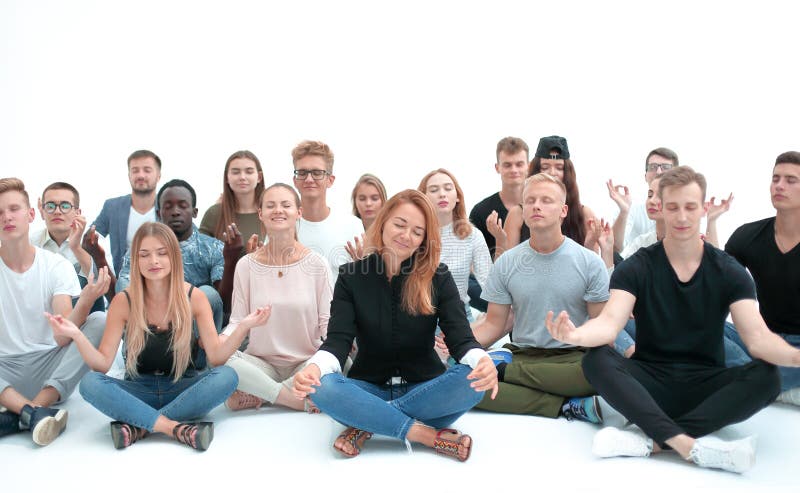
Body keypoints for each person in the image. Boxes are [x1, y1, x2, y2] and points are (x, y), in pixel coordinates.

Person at [545, 166, 799, 474]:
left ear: (704, 209)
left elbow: (758, 338)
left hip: (707, 384)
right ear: (661, 209)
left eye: (690, 207)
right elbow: (609, 324)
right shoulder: (638, 266)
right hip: (650, 380)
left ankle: (653, 442)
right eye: (673, 207)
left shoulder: (728, 270)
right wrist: (575, 336)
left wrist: (796, 357)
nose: (681, 217)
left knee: (767, 376)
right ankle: (688, 445)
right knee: (596, 359)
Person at [293, 190, 498, 461]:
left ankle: (366, 422)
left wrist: (482, 360)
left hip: (426, 387)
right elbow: (338, 342)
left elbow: (461, 340)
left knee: (475, 382)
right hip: (368, 386)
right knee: (320, 386)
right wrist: (315, 368)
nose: (405, 235)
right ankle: (425, 434)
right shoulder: (351, 276)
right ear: (384, 222)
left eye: (417, 231)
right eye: (400, 225)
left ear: (425, 239)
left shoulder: (439, 276)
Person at [45, 222, 270, 451]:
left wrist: (244, 326)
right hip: (138, 390)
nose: (153, 261)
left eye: (162, 253)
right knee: (90, 383)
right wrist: (76, 334)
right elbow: (102, 365)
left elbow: (217, 357)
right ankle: (173, 428)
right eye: (145, 255)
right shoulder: (124, 301)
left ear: (173, 257)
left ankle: (140, 426)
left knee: (227, 376)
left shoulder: (194, 296)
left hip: (183, 388)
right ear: (136, 261)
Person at [469, 173, 609, 420]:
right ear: (522, 212)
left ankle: (507, 376)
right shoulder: (506, 263)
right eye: (530, 201)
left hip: (571, 359)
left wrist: (501, 371)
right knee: (463, 385)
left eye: (546, 200)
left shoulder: (589, 262)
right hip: (524, 354)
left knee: (600, 374)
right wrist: (461, 348)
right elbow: (493, 324)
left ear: (563, 210)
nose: (537, 205)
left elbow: (602, 330)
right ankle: (567, 405)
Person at [0, 178, 108, 446]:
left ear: (31, 214)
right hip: (4, 369)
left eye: (14, 209)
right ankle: (35, 414)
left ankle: (27, 411)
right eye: (0, 212)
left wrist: (85, 300)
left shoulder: (55, 265)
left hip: (49, 365)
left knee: (98, 320)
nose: (7, 217)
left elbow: (62, 338)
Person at [222, 183, 333, 412]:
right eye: (270, 206)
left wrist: (337, 349)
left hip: (305, 362)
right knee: (223, 363)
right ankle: (291, 399)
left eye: (286, 205)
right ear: (260, 214)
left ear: (299, 212)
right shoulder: (246, 265)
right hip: (261, 363)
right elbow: (237, 320)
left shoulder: (317, 264)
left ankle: (261, 393)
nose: (278, 210)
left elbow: (326, 321)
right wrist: (221, 341)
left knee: (333, 371)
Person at [613, 176, 733, 357]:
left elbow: (717, 276)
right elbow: (619, 282)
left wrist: (712, 221)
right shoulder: (642, 244)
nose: (652, 201)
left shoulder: (692, 241)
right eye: (650, 194)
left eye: (659, 196)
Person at [723, 151, 800, 406]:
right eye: (776, 178)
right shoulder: (747, 237)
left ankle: (754, 382)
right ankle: (767, 384)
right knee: (703, 328)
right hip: (760, 340)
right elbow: (716, 286)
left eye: (791, 180)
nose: (780, 185)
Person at [116, 180, 231, 336]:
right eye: (168, 207)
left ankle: (200, 356)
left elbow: (222, 304)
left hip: (196, 334)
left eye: (183, 206)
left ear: (195, 212)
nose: (175, 212)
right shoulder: (140, 248)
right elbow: (123, 289)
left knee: (207, 293)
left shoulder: (214, 248)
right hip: (151, 326)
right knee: (124, 284)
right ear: (159, 213)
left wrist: (231, 260)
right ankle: (139, 351)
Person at [499, 136, 599, 256]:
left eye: (559, 167)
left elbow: (592, 266)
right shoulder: (517, 214)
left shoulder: (585, 214)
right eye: (545, 167)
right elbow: (505, 267)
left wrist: (590, 243)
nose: (552, 172)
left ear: (564, 211)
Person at [418, 168, 490, 322]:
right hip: (420, 319)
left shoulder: (473, 235)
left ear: (457, 196)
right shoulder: (415, 235)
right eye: (434, 190)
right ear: (423, 198)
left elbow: (489, 282)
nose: (442, 194)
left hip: (460, 316)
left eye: (448, 188)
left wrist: (493, 318)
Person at [31, 181, 116, 311]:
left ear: (77, 212)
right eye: (50, 205)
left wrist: (76, 247)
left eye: (65, 205)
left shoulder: (93, 239)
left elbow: (105, 286)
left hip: (88, 316)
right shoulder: (32, 242)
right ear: (42, 212)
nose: (57, 212)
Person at [467, 137, 530, 312]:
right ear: (497, 168)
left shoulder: (540, 208)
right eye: (507, 165)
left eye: (519, 164)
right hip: (494, 284)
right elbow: (471, 261)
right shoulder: (481, 211)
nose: (514, 170)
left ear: (529, 166)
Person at [291, 140, 364, 281]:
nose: (309, 179)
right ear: (295, 180)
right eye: (302, 172)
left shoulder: (353, 226)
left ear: (330, 180)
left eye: (317, 172)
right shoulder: (282, 226)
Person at [93, 149, 162, 276]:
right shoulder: (112, 207)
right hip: (126, 278)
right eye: (135, 170)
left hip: (163, 275)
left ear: (158, 176)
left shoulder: (169, 207)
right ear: (129, 175)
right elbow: (92, 237)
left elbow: (192, 240)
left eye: (147, 170)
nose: (140, 175)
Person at [612, 147, 679, 252]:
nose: (659, 172)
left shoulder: (686, 210)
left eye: (665, 167)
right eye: (653, 167)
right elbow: (615, 249)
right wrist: (624, 211)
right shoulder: (631, 208)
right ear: (645, 176)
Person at [199, 150, 265, 254]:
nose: (242, 177)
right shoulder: (214, 214)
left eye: (249, 171)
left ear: (259, 177)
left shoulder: (271, 212)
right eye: (235, 172)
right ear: (227, 178)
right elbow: (200, 256)